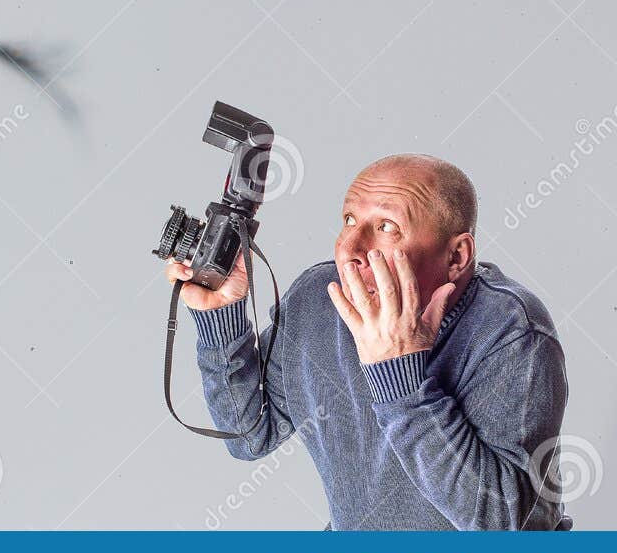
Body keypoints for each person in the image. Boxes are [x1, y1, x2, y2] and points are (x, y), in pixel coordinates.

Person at [167, 153, 571, 529]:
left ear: (456, 257)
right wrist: (220, 316)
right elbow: (250, 436)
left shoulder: (511, 330)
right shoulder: (318, 300)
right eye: (348, 220)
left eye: (386, 227)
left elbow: (501, 524)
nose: (350, 248)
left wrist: (399, 374)